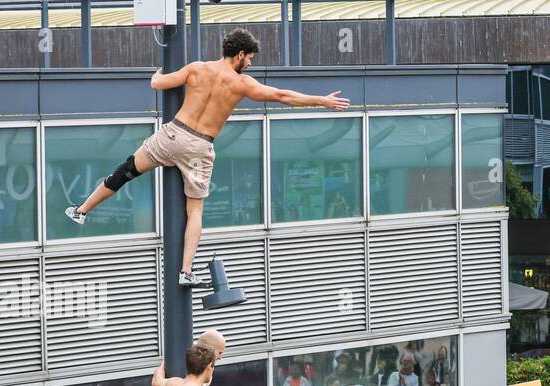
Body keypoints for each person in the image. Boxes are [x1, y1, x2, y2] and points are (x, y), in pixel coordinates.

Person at [66, 29, 349, 285]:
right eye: (249, 58)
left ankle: (81, 211)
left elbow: (159, 84)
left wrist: (155, 77)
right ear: (239, 54)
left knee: (125, 171)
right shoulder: (241, 83)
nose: (249, 63)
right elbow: (282, 95)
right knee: (196, 210)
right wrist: (321, 100)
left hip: (173, 135)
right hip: (200, 147)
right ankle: (186, 271)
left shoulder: (196, 69)